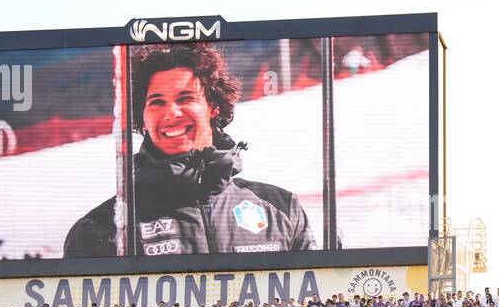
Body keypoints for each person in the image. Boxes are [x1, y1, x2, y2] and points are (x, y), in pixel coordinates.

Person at [65, 43, 316, 257]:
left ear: (213, 107)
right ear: (142, 116)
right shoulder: (102, 228)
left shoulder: (281, 208)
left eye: (186, 98)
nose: (171, 113)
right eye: (157, 102)